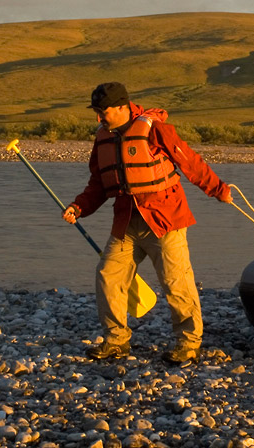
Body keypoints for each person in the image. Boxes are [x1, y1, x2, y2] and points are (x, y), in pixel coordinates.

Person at [63, 81, 232, 364]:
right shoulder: (103, 137)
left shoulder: (155, 130)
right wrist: (79, 206)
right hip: (126, 221)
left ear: (122, 107)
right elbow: (99, 183)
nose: (98, 117)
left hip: (164, 218)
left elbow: (190, 162)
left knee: (176, 283)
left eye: (102, 110)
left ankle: (189, 345)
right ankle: (116, 341)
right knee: (108, 275)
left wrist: (218, 189)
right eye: (96, 111)